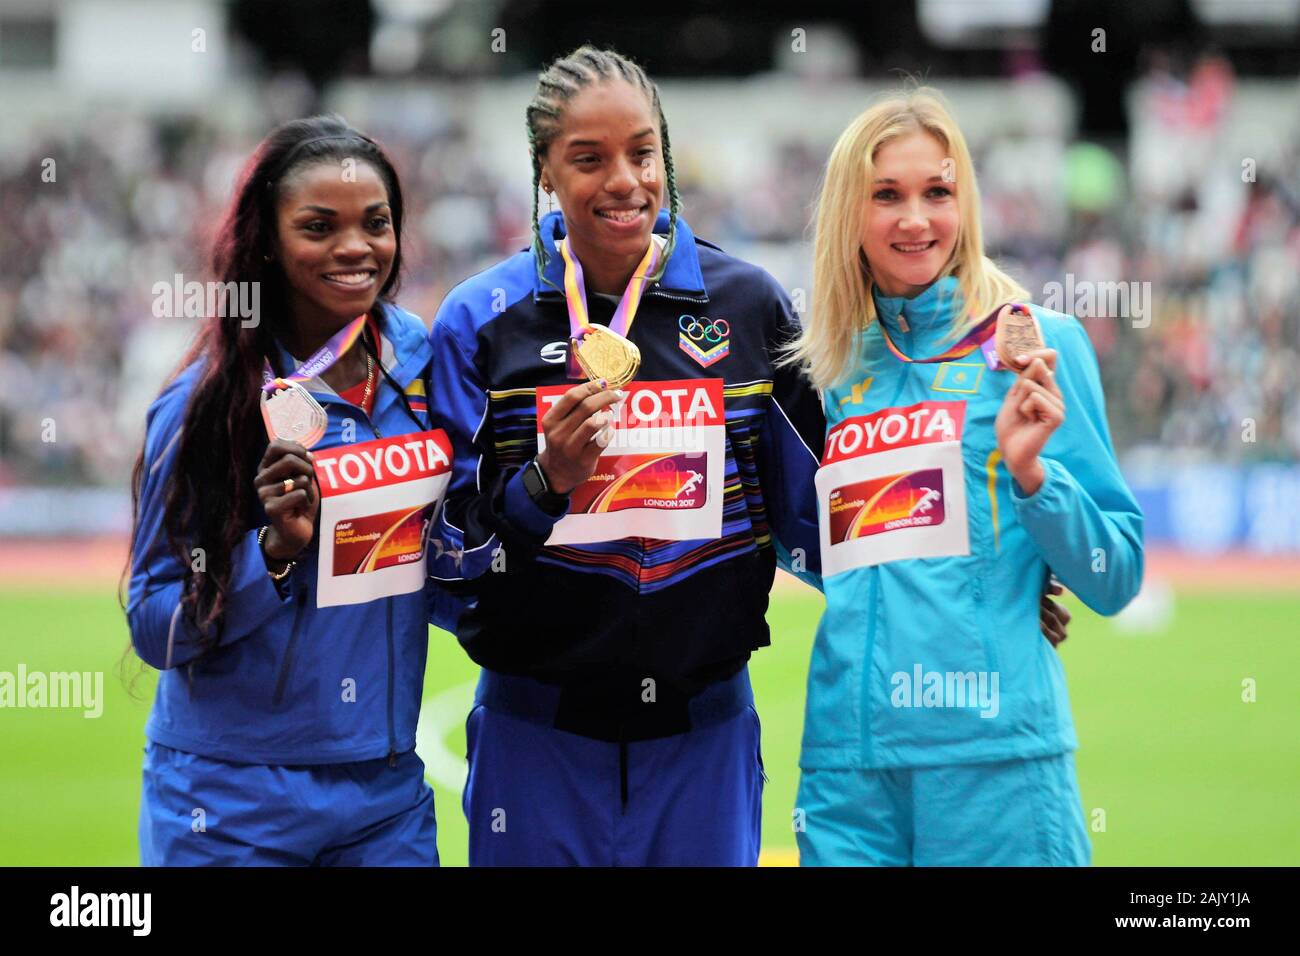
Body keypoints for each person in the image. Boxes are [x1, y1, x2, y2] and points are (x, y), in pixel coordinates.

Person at [425, 45, 826, 866]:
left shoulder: (747, 307)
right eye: (588, 159)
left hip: (703, 736)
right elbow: (445, 562)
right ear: (544, 170)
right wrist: (544, 486)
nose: (624, 181)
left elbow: (826, 517)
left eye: (643, 153)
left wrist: (989, 574)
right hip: (533, 736)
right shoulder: (481, 321)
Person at [786, 88, 1143, 866]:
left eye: (938, 192)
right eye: (887, 195)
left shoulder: (1038, 346)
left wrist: (1032, 481)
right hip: (846, 774)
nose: (916, 219)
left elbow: (1116, 574)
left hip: (998, 765)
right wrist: (967, 581)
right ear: (851, 209)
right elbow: (814, 543)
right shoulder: (825, 368)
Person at [126, 115, 452, 866]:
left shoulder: (423, 376)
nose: (354, 248)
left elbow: (451, 566)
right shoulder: (206, 406)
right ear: (267, 242)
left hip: (386, 798)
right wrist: (271, 555)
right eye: (318, 226)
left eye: (377, 223)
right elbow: (154, 628)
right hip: (229, 803)